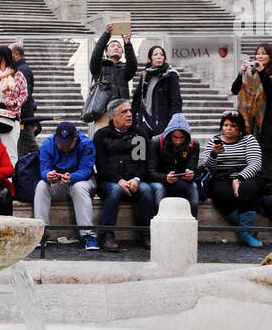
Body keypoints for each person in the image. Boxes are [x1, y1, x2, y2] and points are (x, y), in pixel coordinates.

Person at [93, 98, 154, 252]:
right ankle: (106, 236)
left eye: (130, 111)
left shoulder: (138, 134)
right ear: (113, 116)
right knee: (115, 190)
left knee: (146, 190)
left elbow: (143, 162)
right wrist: (118, 180)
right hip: (109, 182)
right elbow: (101, 165)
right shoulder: (101, 135)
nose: (129, 115)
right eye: (124, 112)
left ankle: (146, 234)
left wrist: (136, 179)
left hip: (134, 181)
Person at [200, 111, 264, 248]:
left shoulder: (249, 140)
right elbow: (208, 166)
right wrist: (213, 154)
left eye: (232, 126)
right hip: (222, 177)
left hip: (247, 175)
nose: (228, 128)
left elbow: (255, 164)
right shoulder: (214, 140)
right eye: (225, 125)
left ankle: (246, 232)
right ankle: (246, 229)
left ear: (239, 128)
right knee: (220, 193)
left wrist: (239, 179)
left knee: (248, 189)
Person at [33, 120, 98, 250]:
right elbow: (44, 168)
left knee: (78, 188)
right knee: (41, 186)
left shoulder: (86, 143)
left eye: (67, 144)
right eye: (60, 143)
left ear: (76, 138)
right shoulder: (48, 143)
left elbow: (86, 170)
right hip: (58, 183)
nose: (63, 147)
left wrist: (71, 177)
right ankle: (41, 233)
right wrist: (48, 175)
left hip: (81, 182)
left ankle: (88, 235)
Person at [147, 113, 201, 217]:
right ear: (169, 134)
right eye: (175, 137)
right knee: (159, 190)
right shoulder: (157, 142)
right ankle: (158, 226)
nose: (178, 141)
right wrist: (165, 178)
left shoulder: (193, 144)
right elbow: (151, 171)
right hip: (159, 181)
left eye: (182, 137)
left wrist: (190, 175)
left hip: (180, 180)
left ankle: (192, 224)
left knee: (193, 188)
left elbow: (193, 169)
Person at [87, 25, 137, 132]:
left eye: (119, 47)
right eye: (113, 46)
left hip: (122, 114)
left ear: (122, 53)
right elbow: (96, 55)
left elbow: (133, 65)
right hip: (103, 114)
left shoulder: (124, 69)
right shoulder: (99, 68)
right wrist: (106, 34)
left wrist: (127, 44)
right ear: (106, 52)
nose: (116, 48)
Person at [231, 43, 272, 173]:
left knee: (265, 155)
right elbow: (235, 90)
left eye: (264, 53)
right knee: (251, 152)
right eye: (258, 53)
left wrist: (261, 72)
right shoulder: (250, 73)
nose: (260, 56)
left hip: (267, 120)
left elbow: (270, 92)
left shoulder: (268, 73)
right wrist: (241, 73)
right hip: (250, 119)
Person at [132, 45, 182, 141]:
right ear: (149, 59)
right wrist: (135, 120)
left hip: (163, 121)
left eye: (161, 54)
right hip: (145, 120)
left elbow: (176, 101)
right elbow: (137, 99)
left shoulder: (170, 75)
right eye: (155, 54)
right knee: (143, 153)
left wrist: (174, 123)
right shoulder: (145, 75)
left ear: (164, 58)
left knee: (160, 150)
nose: (159, 56)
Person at [11, 43, 39, 156]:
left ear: (16, 54)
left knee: (30, 145)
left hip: (23, 117)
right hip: (23, 116)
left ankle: (43, 166)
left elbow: (24, 95)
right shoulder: (20, 69)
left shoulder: (22, 70)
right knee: (22, 145)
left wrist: (19, 116)